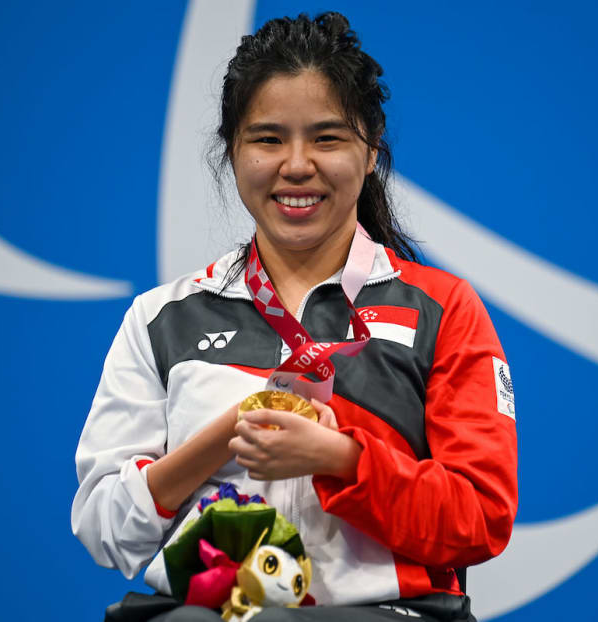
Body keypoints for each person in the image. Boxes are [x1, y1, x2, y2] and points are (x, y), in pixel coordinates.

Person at [72, 12, 518, 622]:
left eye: (328, 138)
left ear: (370, 153)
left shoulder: (442, 310)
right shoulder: (161, 319)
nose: (297, 164)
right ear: (231, 152)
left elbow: (480, 518)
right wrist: (218, 441)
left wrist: (342, 459)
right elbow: (103, 530)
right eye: (268, 138)